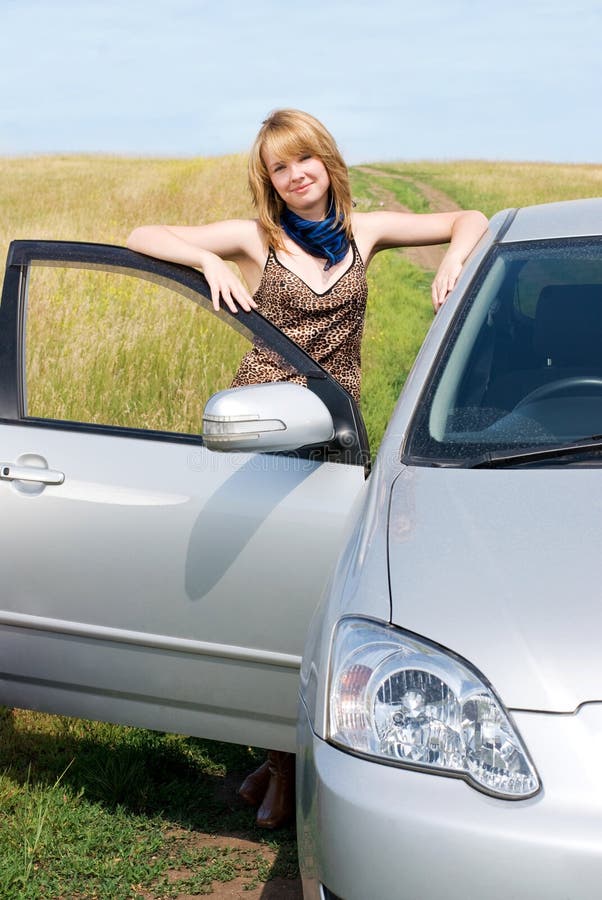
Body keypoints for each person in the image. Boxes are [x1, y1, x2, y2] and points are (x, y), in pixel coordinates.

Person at [126, 108, 489, 828]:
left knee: (325, 594)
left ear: (326, 161)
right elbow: (139, 238)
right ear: (269, 182)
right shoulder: (254, 240)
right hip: (266, 436)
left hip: (338, 435)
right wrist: (204, 262)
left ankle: (281, 762)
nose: (295, 177)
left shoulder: (366, 233)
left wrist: (452, 256)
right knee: (271, 595)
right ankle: (283, 769)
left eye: (303, 161)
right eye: (278, 169)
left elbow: (473, 216)